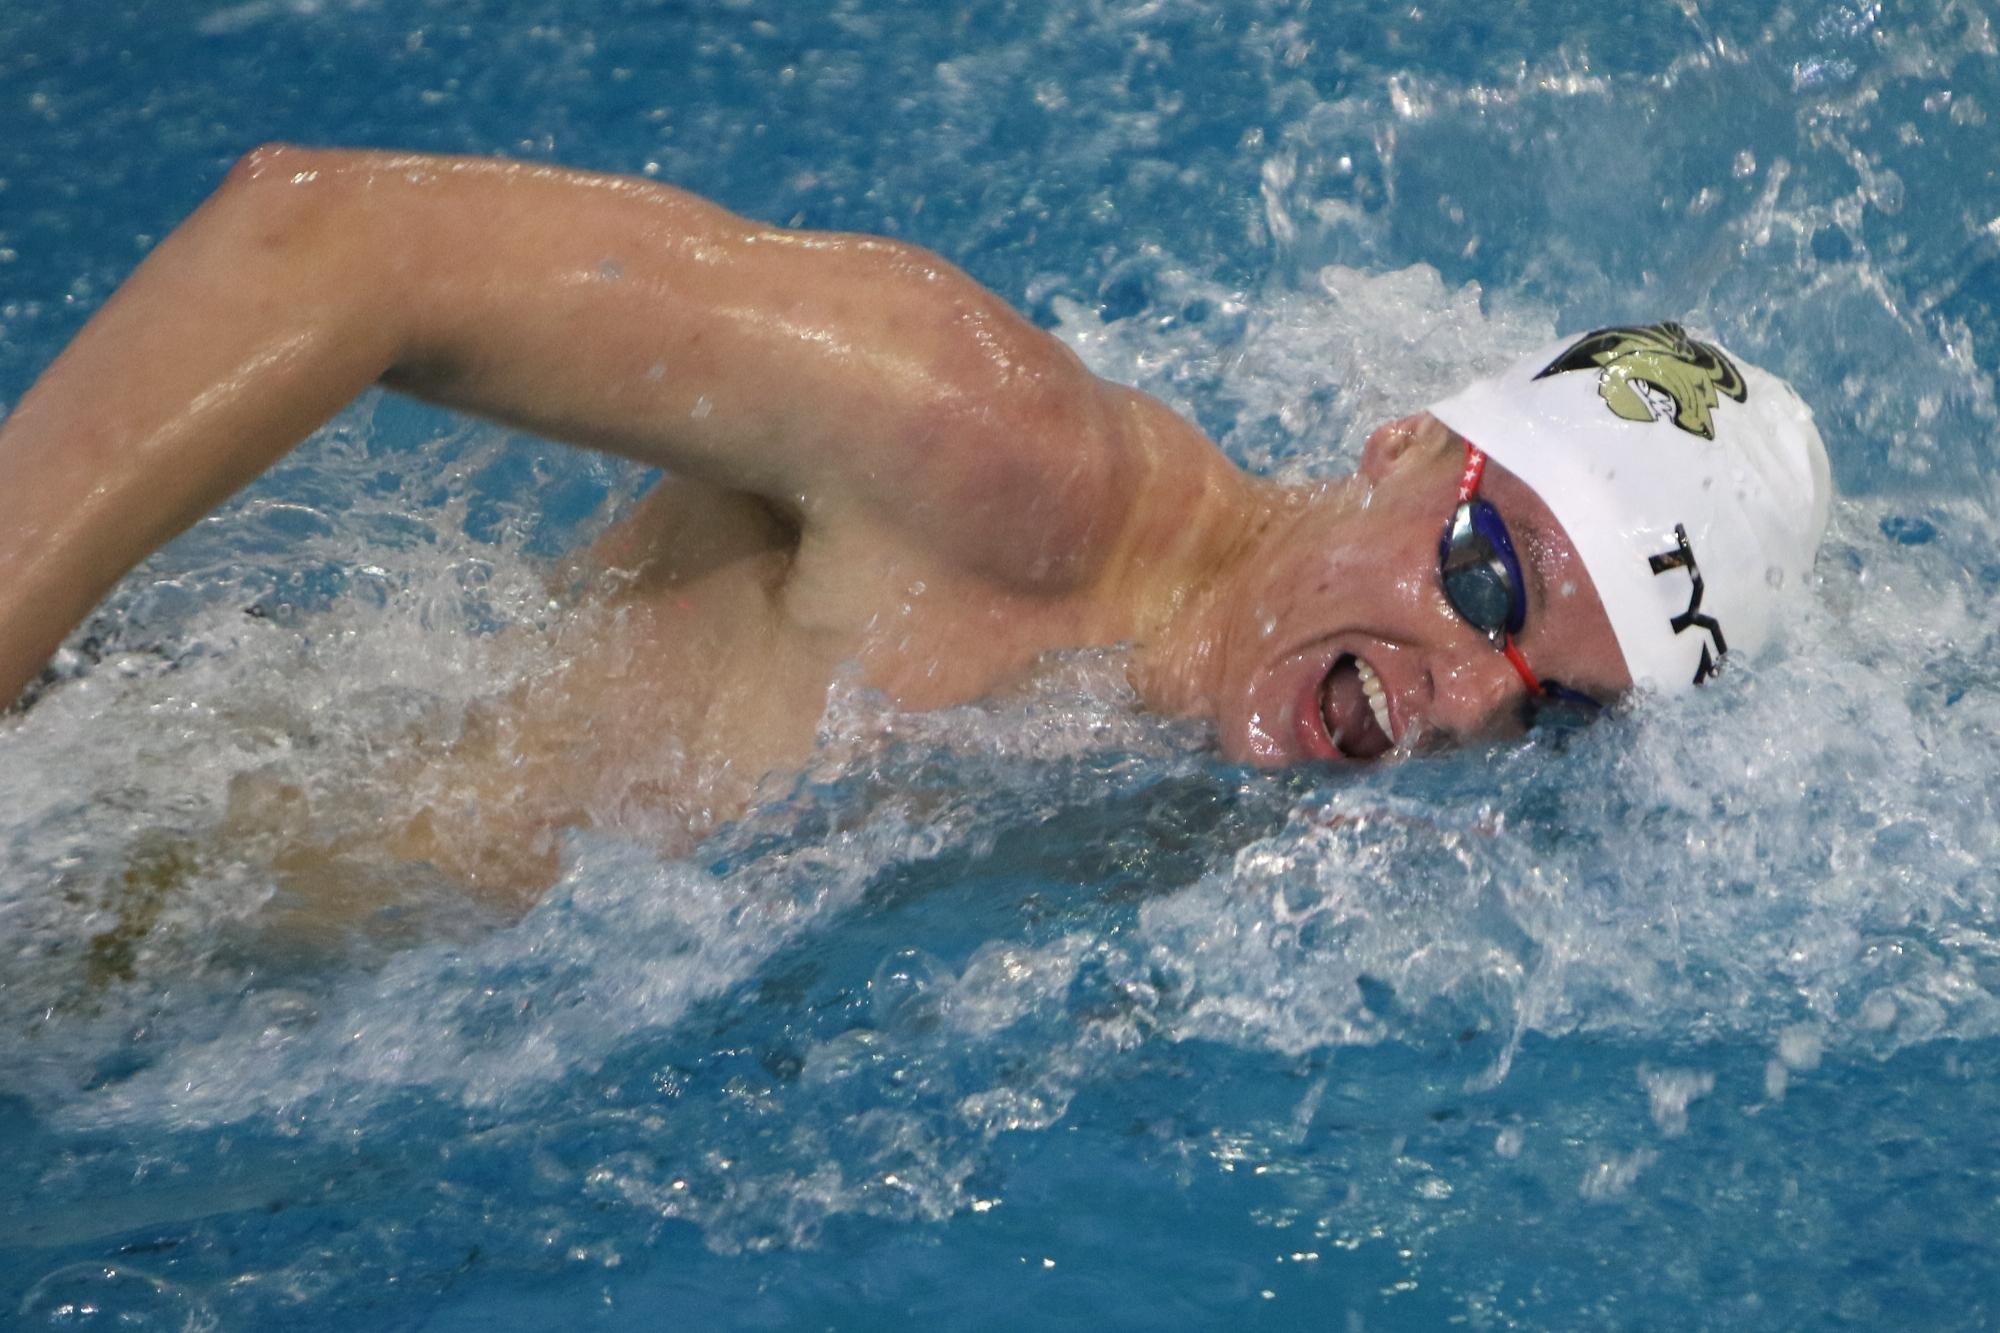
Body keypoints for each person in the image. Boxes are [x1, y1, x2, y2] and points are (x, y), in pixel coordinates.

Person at [0, 147, 1831, 902]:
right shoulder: (1000, 456)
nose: (1461, 696)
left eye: (1555, 705)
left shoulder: (1210, 780)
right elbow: (324, 234)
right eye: (1484, 571)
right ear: (1396, 442)